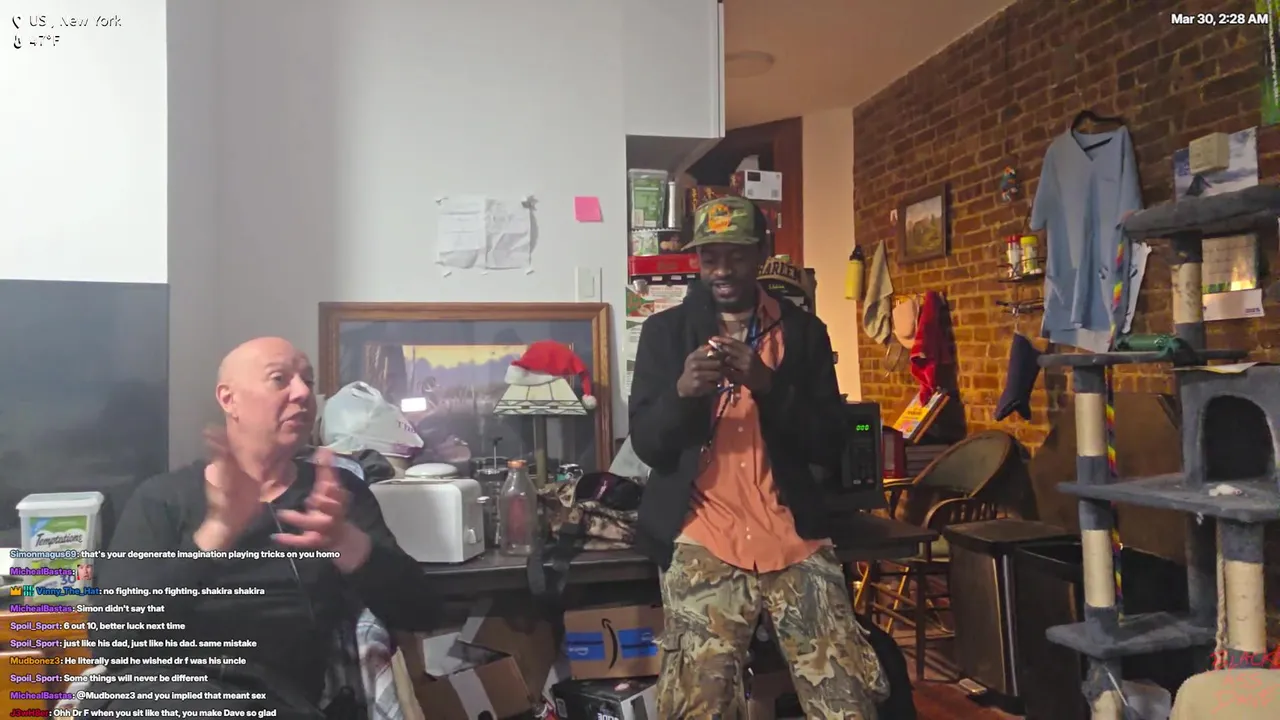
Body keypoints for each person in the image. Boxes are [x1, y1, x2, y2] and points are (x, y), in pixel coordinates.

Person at [84, 337, 440, 719]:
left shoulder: (337, 495)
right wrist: (216, 533)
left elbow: (422, 612)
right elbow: (110, 638)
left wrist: (346, 542)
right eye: (279, 379)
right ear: (229, 400)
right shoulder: (162, 499)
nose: (303, 393)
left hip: (277, 701)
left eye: (308, 380)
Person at [628, 196, 887, 718]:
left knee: (848, 703)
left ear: (762, 253)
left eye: (737, 255)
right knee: (698, 706)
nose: (722, 270)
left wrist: (768, 385)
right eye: (710, 257)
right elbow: (648, 445)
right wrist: (681, 393)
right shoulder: (665, 333)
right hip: (703, 534)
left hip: (793, 534)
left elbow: (828, 442)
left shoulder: (805, 333)